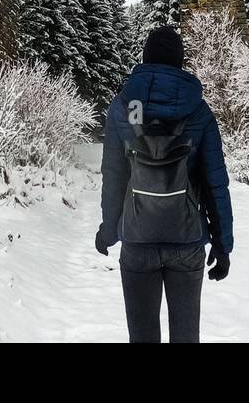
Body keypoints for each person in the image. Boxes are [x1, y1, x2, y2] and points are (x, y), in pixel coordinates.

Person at [95, 24, 233, 343]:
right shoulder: (198, 110)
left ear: (145, 59)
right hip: (187, 242)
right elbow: (215, 182)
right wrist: (223, 243)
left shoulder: (127, 107)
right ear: (180, 62)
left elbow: (114, 174)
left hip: (137, 240)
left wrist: (109, 229)